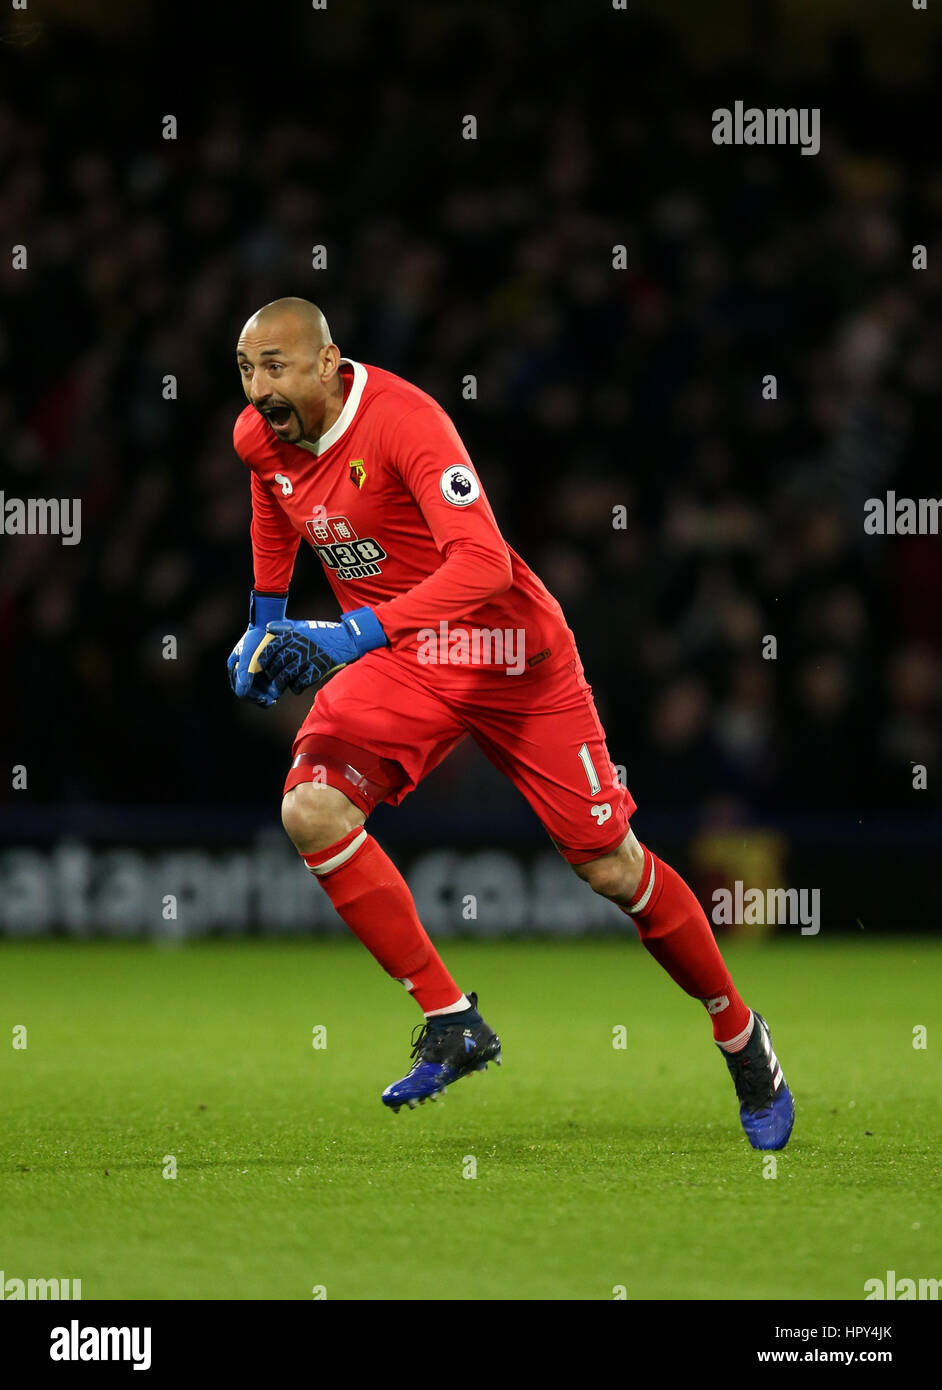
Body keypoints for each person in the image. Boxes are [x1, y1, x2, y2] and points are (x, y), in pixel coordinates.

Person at [228, 297, 794, 1148]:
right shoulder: (259, 439)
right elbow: (273, 508)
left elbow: (485, 562)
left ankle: (741, 1036)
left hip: (511, 655)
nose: (258, 387)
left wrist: (353, 631)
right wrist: (264, 619)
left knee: (611, 868)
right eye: (246, 368)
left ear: (328, 362)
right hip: (406, 664)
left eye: (276, 365)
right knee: (310, 808)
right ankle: (452, 1020)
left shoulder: (405, 421)